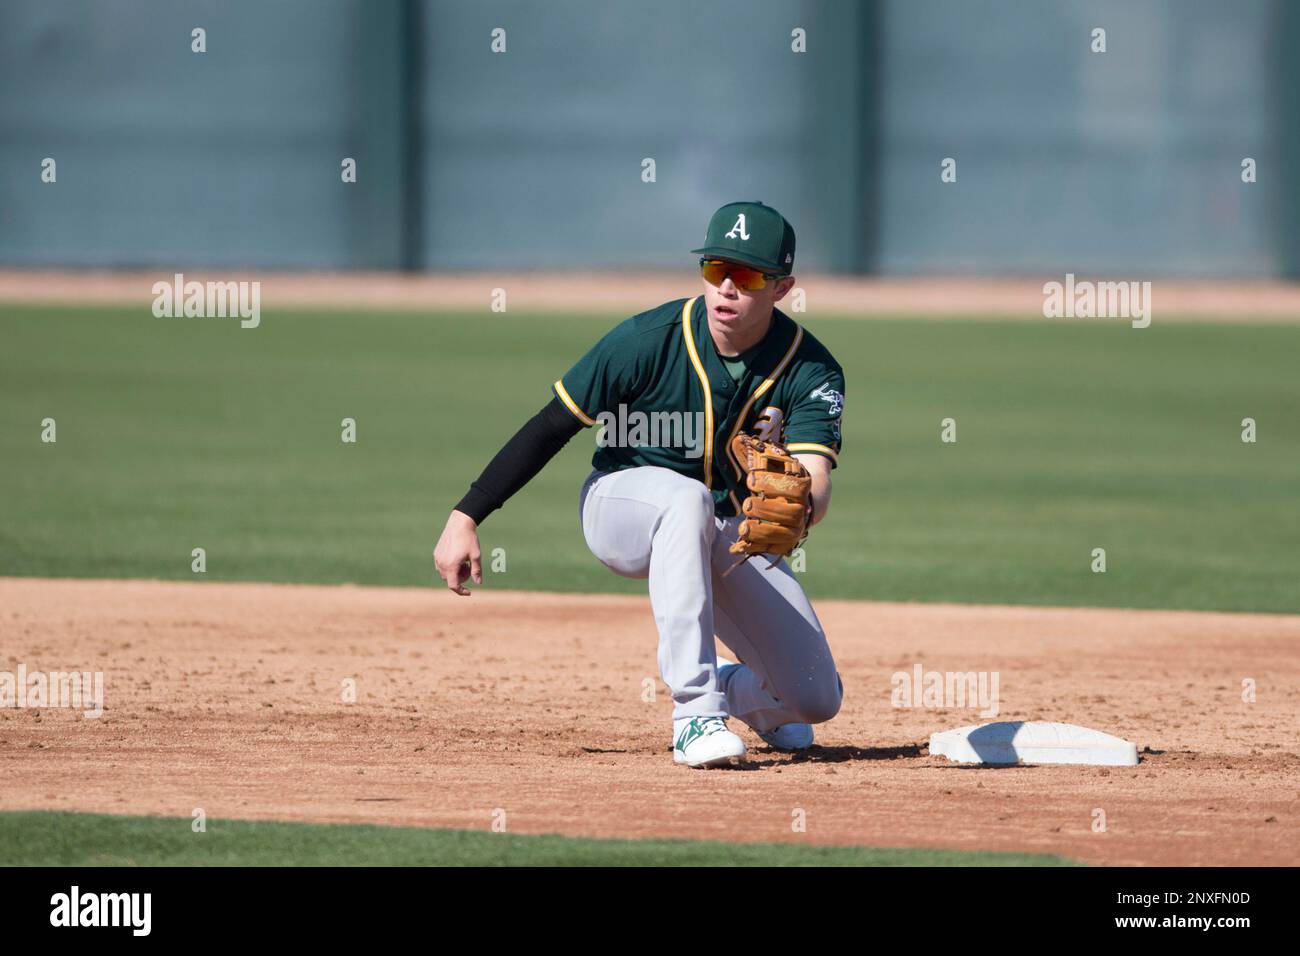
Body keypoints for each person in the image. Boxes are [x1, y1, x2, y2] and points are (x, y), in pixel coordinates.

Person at [434, 200, 845, 768]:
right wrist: (466, 516)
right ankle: (695, 712)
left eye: (747, 275)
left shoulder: (810, 369)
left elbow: (815, 478)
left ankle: (735, 692)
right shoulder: (645, 340)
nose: (726, 287)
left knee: (813, 699)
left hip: (727, 527)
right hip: (621, 506)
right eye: (715, 269)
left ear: (782, 287)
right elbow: (551, 426)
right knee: (685, 496)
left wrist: (803, 507)